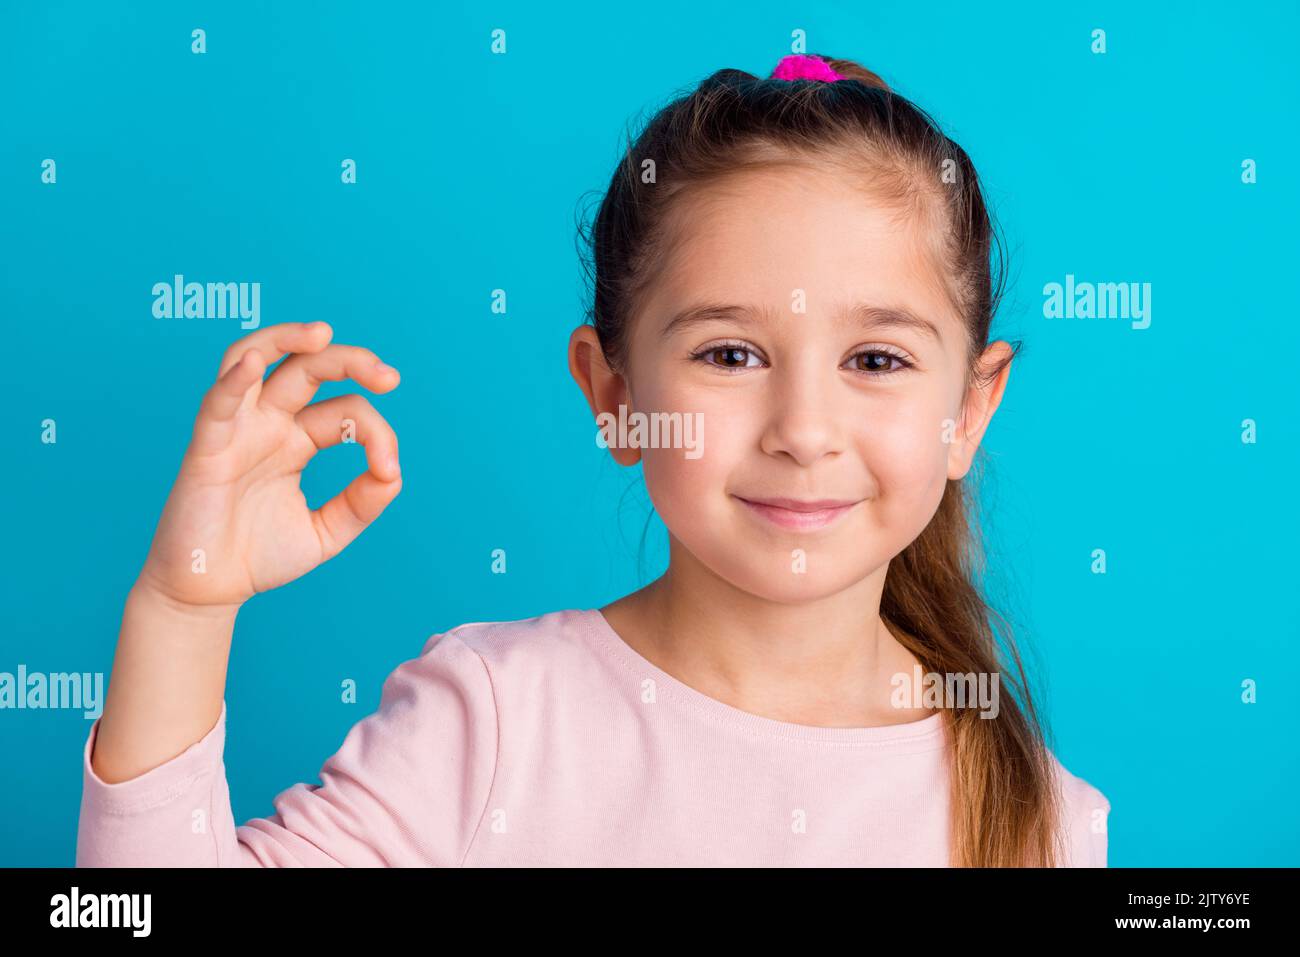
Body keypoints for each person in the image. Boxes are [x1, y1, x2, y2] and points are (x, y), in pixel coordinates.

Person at [76, 52, 1110, 867]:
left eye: (875, 359)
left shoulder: (1039, 820)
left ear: (969, 410)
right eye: (730, 354)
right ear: (612, 393)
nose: (803, 429)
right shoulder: (490, 722)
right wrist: (183, 612)